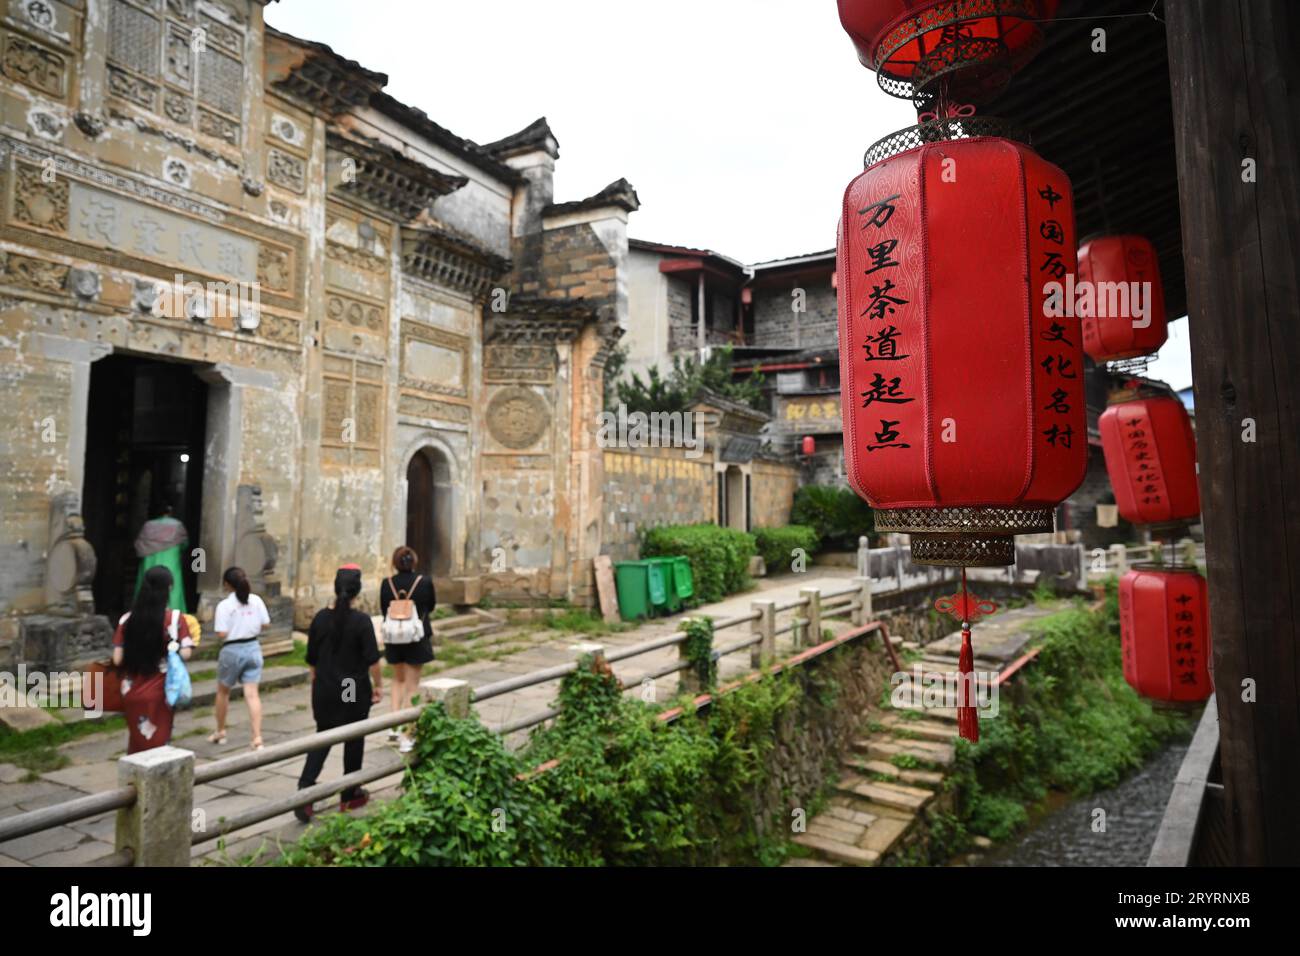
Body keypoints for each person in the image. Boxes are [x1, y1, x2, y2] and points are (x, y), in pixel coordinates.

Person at [295, 565, 382, 823]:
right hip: (351, 688)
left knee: (323, 736)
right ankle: (349, 793)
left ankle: (305, 790)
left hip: (325, 687)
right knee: (353, 738)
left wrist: (316, 678)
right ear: (358, 592)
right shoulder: (361, 622)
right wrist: (379, 686)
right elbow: (372, 660)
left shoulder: (320, 618)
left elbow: (311, 657)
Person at [112, 565, 193, 754]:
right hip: (161, 689)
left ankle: (134, 779)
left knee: (137, 741)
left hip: (131, 690)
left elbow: (117, 659)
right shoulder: (174, 619)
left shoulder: (126, 620)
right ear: (169, 588)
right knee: (158, 742)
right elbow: (186, 653)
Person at [378, 546, 436, 754]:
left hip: (394, 637)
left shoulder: (387, 584)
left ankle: (393, 726)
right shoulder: (424, 582)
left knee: (397, 680)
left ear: (394, 562)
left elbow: (383, 607)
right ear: (414, 562)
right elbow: (431, 606)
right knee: (413, 686)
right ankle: (406, 734)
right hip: (415, 636)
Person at [209, 567, 269, 750]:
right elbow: (266, 624)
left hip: (232, 650)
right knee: (252, 694)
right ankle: (257, 736)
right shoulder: (256, 601)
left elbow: (221, 632)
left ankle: (220, 731)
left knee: (223, 691)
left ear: (227, 585)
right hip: (253, 648)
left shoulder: (225, 606)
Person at [133, 504, 188, 612]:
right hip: (171, 561)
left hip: (150, 562)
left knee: (148, 586)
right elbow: (184, 544)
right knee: (173, 588)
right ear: (171, 513)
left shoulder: (147, 525)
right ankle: (174, 613)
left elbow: (139, 545)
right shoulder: (177, 525)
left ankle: (142, 611)